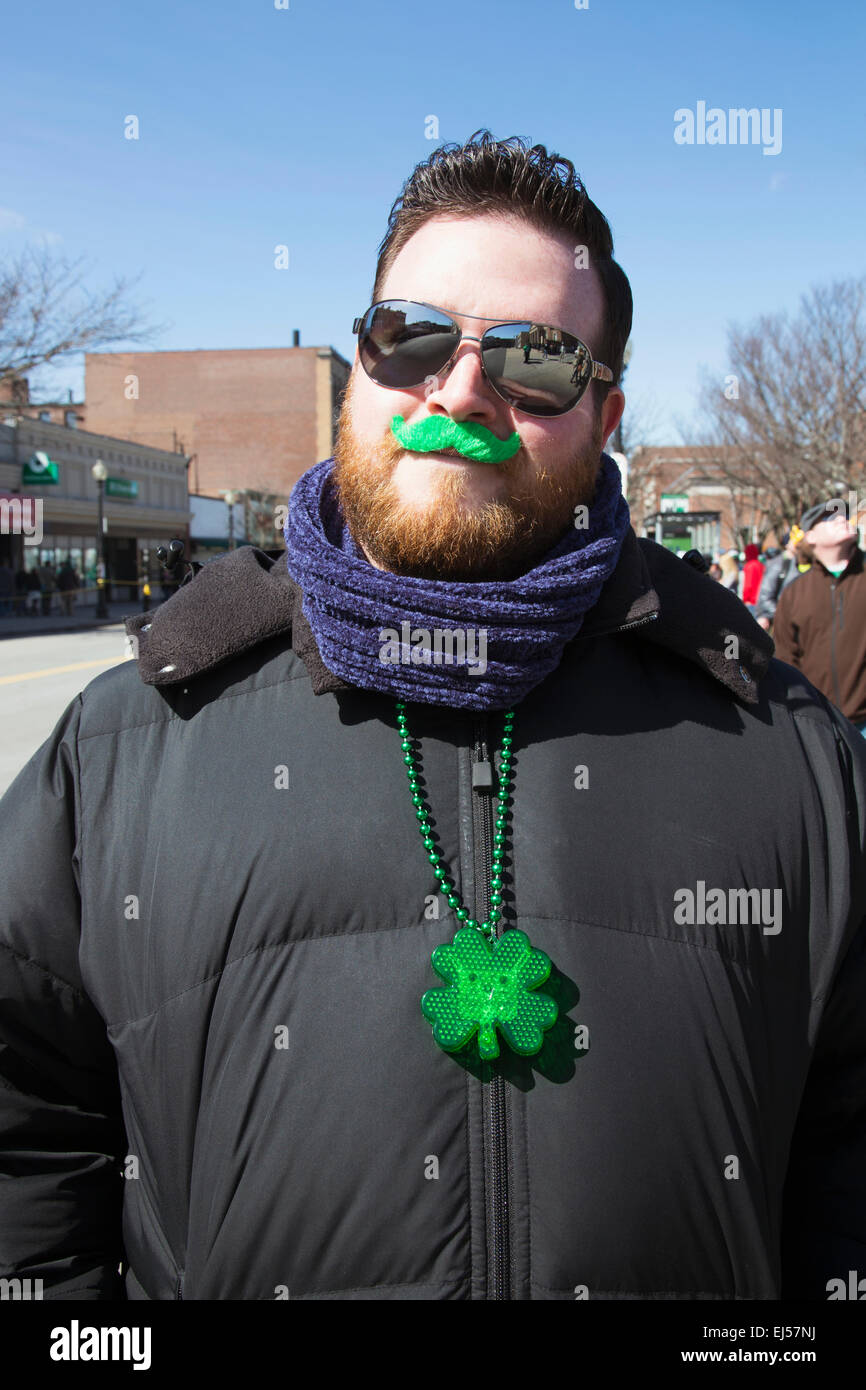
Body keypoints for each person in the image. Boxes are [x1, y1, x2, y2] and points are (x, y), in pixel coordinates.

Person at [1, 131, 865, 1304]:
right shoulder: (120, 752)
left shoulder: (784, 750)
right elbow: (26, 1139)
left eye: (537, 359)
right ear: (360, 365)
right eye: (408, 337)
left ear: (602, 413)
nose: (457, 390)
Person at [773, 500, 866, 731]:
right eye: (829, 518)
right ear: (811, 537)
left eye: (843, 515)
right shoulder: (794, 593)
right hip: (820, 725)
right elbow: (785, 658)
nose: (841, 520)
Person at [755, 527, 802, 632]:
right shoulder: (778, 564)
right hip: (780, 622)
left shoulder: (800, 563)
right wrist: (784, 614)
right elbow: (765, 596)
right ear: (787, 544)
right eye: (795, 540)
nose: (799, 544)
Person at [740, 542, 764, 612]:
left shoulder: (749, 566)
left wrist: (746, 599)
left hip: (751, 601)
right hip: (760, 600)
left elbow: (748, 585)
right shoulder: (760, 565)